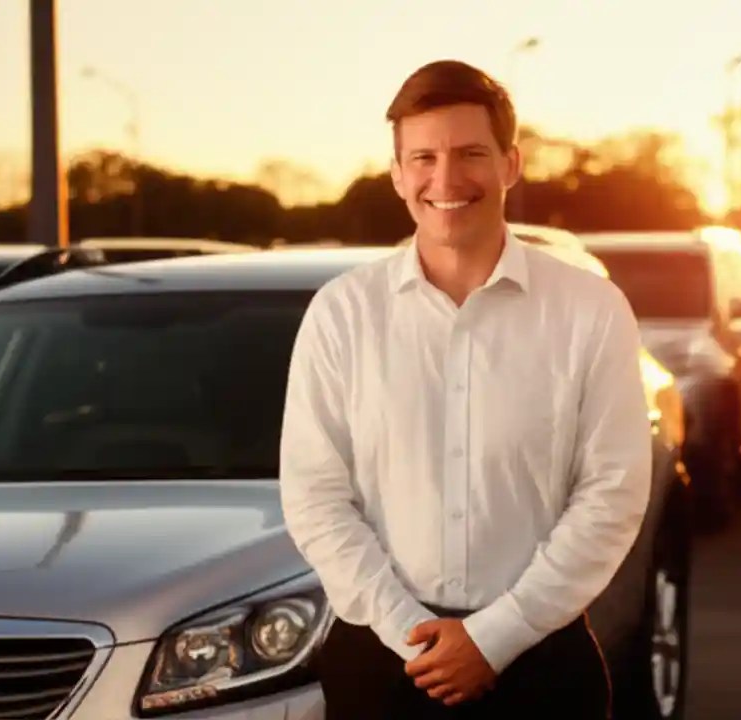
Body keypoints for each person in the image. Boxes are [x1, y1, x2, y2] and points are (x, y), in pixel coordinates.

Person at [279, 59, 651, 719]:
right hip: (382, 669)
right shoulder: (342, 314)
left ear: (511, 164)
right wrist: (410, 633)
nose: (445, 179)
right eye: (422, 157)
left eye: (470, 153)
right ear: (397, 174)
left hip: (542, 667)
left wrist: (495, 636)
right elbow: (315, 496)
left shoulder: (591, 310)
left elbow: (611, 495)